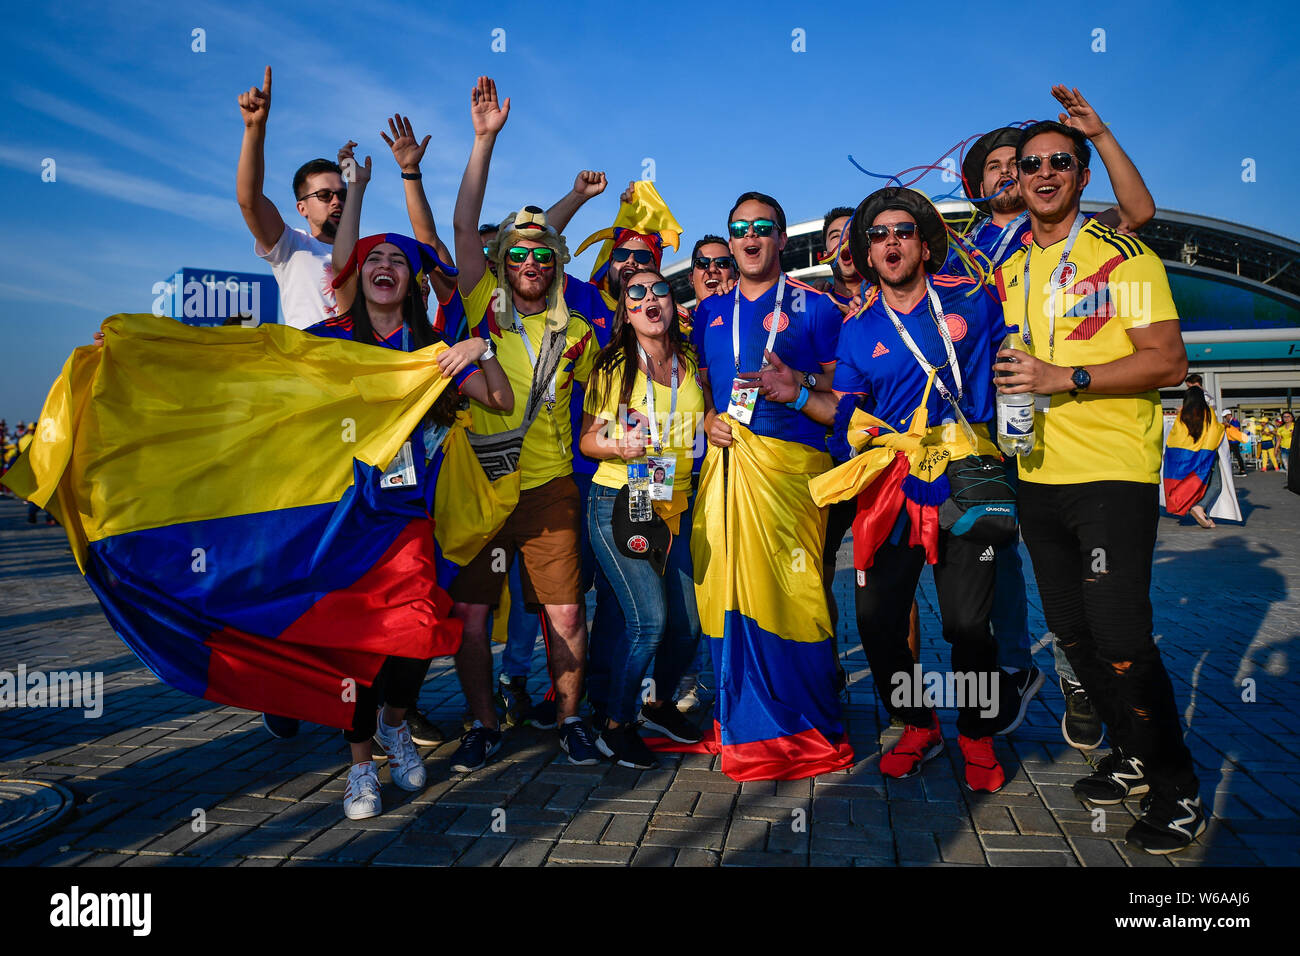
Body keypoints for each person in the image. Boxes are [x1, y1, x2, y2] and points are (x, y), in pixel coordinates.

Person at [993, 120, 1203, 853]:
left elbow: (1168, 361)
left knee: (1119, 635)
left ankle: (1177, 789)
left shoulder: (1124, 256)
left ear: (1082, 177)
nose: (1044, 173)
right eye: (1031, 165)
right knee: (1074, 632)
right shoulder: (1011, 269)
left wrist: (1067, 378)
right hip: (1036, 471)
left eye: (1060, 162)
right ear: (1015, 180)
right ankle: (1131, 750)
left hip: (1111, 471)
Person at [774, 187, 1012, 792]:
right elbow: (846, 410)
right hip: (894, 483)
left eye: (902, 231)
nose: (890, 243)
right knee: (878, 620)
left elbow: (1015, 361)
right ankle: (916, 723)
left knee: (966, 624)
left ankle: (978, 735)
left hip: (965, 474)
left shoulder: (975, 299)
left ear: (924, 241)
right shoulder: (857, 331)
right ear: (865, 253)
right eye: (876, 236)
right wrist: (799, 394)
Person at [446, 77, 602, 772]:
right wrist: (484, 141)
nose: (531, 263)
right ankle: (483, 724)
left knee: (565, 614)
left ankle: (570, 719)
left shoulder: (584, 330)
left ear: (557, 263)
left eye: (543, 254)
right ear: (502, 262)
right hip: (482, 482)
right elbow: (462, 225)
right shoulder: (483, 299)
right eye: (518, 254)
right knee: (474, 617)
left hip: (547, 487)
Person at [690, 190, 852, 781]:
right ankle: (741, 717)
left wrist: (801, 383)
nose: (750, 237)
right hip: (728, 469)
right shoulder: (708, 311)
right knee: (729, 588)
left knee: (796, 592)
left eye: (763, 227)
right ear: (730, 242)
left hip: (792, 472)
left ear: (782, 239)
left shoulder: (820, 308)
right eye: (740, 229)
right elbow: (704, 391)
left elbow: (847, 401)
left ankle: (806, 717)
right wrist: (708, 419)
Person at [579, 269, 706, 767]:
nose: (650, 297)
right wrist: (616, 443)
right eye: (637, 292)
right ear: (626, 310)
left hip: (677, 501)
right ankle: (615, 723)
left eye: (660, 290)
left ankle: (658, 705)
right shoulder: (612, 366)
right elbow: (588, 441)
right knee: (648, 621)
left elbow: (710, 417)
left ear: (672, 305)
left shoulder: (692, 361)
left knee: (689, 625)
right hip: (622, 498)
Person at [235, 66, 345, 330]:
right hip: (307, 368)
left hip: (360, 368)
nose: (336, 201)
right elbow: (249, 200)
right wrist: (254, 129)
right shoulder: (291, 246)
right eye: (324, 195)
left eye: (342, 194)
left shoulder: (370, 257)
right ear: (302, 207)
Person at [1162, 385, 1225, 529]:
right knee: (1215, 485)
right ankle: (1200, 507)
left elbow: (1176, 435)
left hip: (1183, 456)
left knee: (1191, 485)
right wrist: (1224, 427)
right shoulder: (1207, 412)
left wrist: (1169, 453)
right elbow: (1215, 430)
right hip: (1205, 455)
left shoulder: (1183, 414)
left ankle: (1200, 511)